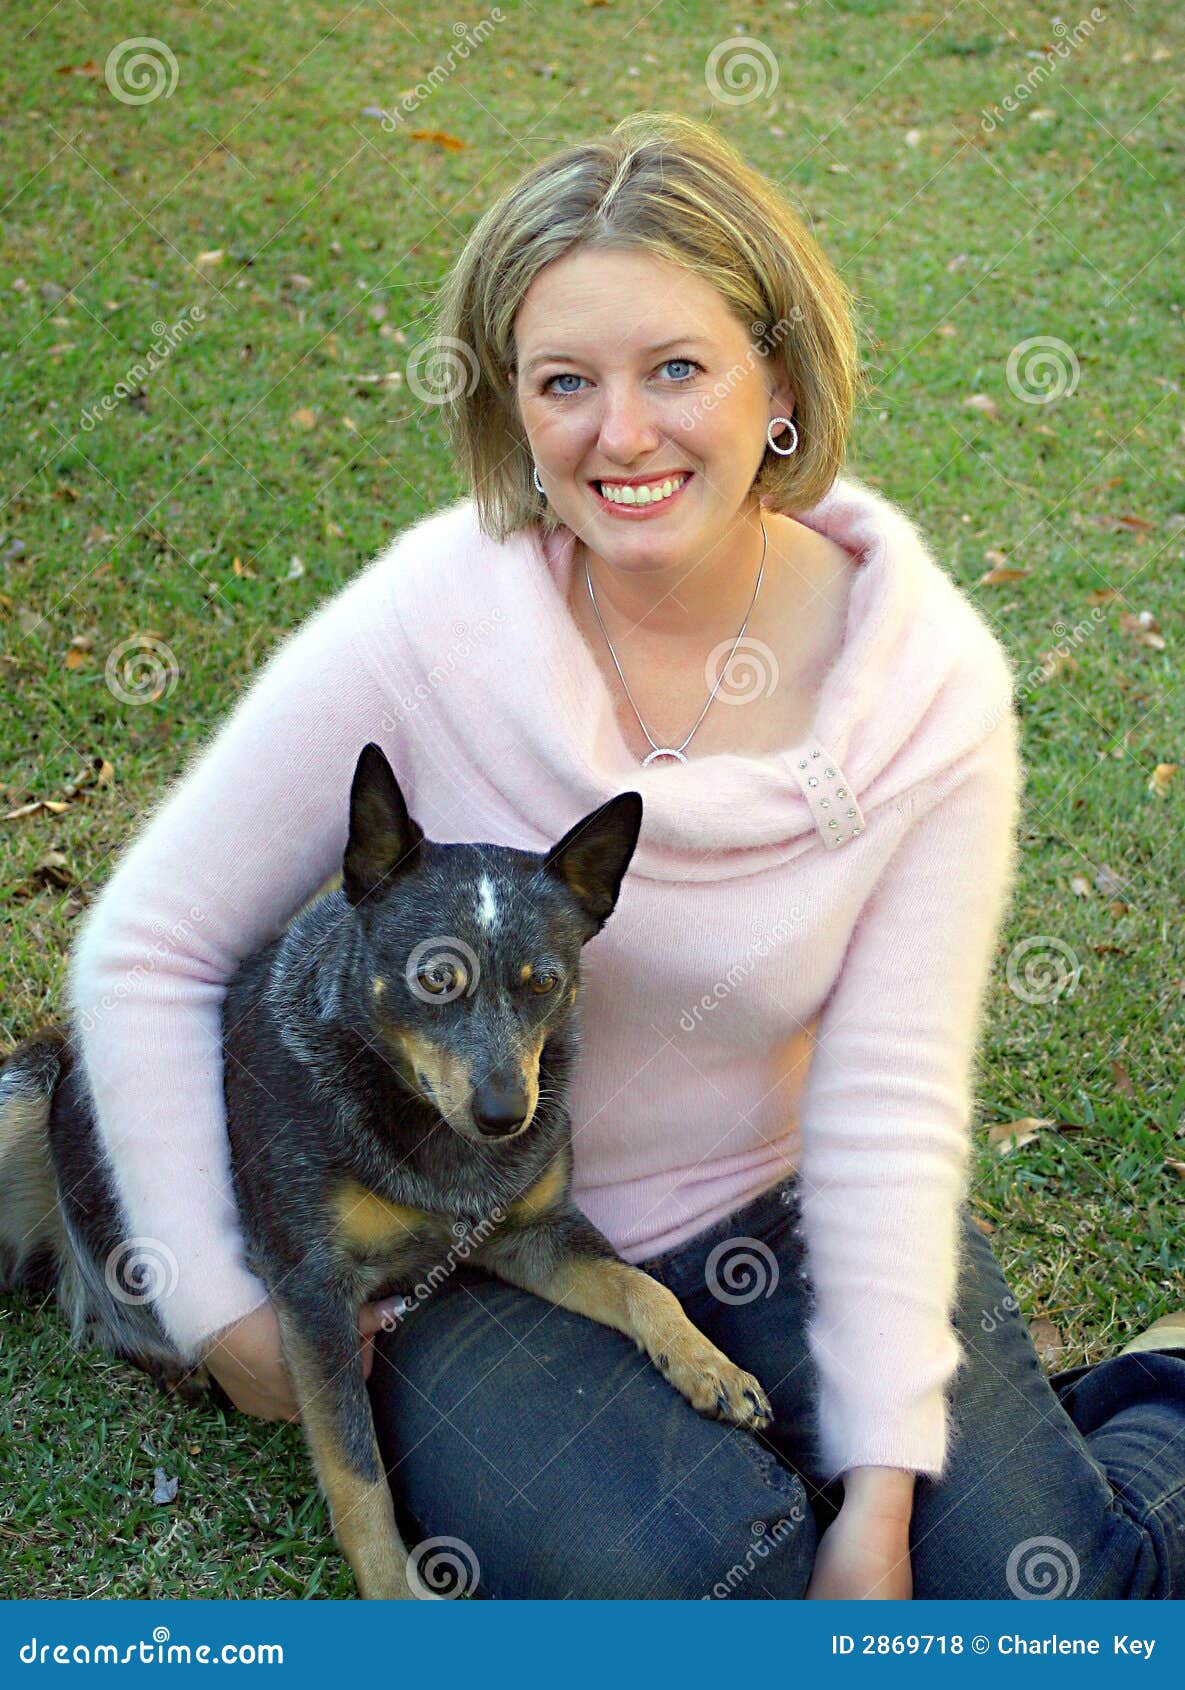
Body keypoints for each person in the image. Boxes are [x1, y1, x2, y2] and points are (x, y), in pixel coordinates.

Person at [66, 111, 1185, 1601]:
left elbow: (892, 1099)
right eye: (565, 382)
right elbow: (147, 946)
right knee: (720, 1599)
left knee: (1048, 1599)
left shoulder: (927, 690)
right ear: (511, 409)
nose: (624, 434)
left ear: (780, 383)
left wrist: (881, 1509)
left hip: (791, 1201)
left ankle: (1153, 1400)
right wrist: (215, 1302)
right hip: (473, 1244)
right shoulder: (428, 623)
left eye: (676, 368)